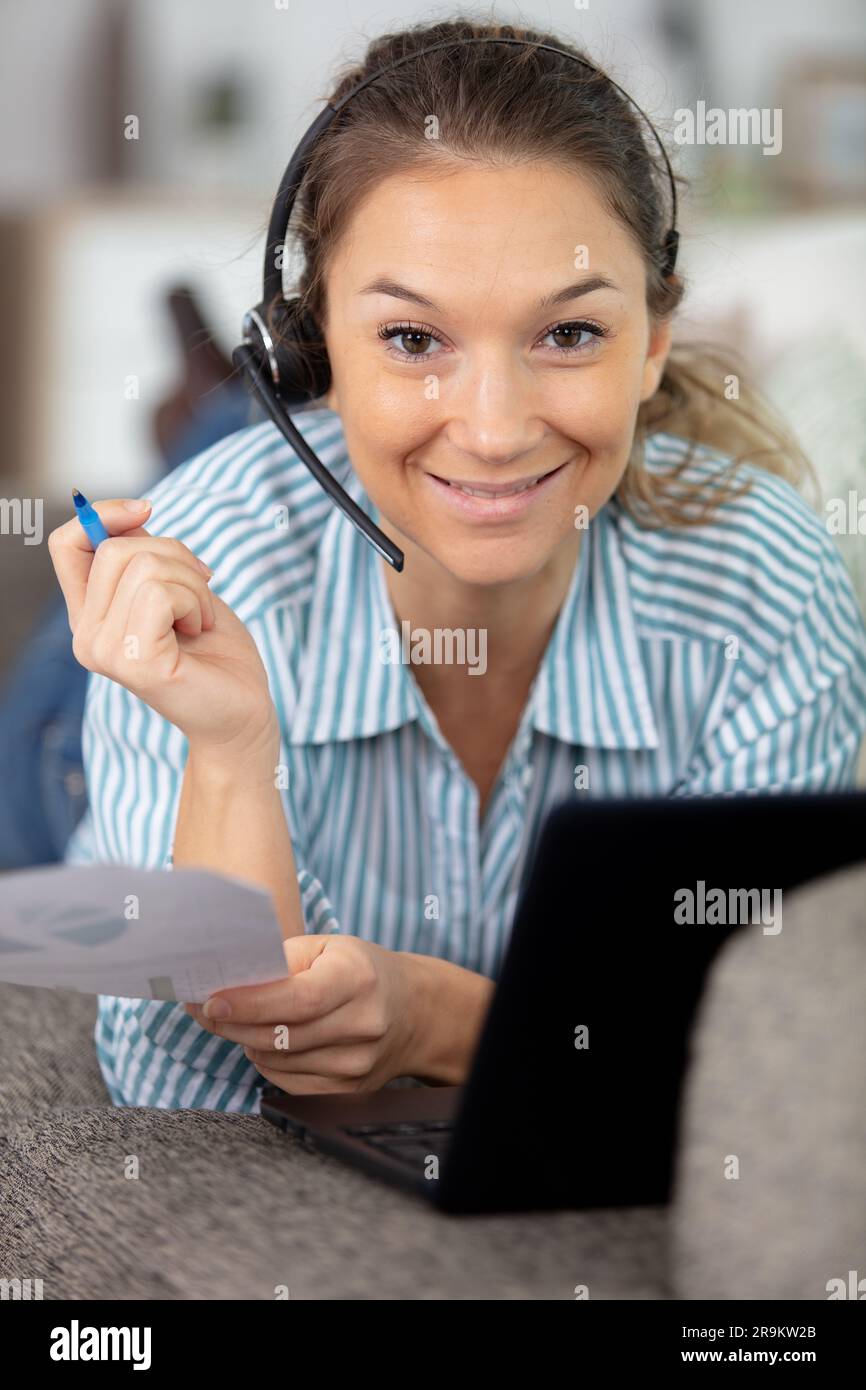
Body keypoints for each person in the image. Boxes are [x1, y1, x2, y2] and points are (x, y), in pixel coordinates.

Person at [48, 18, 866, 1113]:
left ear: (655, 346)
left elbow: (776, 1072)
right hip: (69, 754)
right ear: (311, 351)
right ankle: (206, 414)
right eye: (412, 338)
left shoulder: (761, 578)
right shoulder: (214, 556)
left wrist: (439, 1017)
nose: (491, 428)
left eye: (567, 335)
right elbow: (176, 1087)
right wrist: (230, 751)